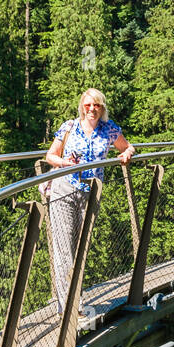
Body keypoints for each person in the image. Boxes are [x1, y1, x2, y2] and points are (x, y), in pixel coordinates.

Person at [44, 88, 135, 320]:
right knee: (65, 249)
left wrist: (127, 154)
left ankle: (75, 299)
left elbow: (127, 147)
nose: (92, 109)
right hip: (64, 189)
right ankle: (68, 308)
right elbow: (50, 155)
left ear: (102, 108)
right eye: (88, 105)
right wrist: (64, 163)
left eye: (96, 105)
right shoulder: (69, 127)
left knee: (81, 248)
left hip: (91, 193)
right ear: (81, 107)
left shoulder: (109, 129)